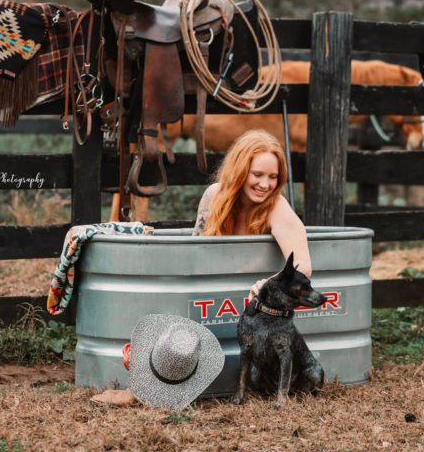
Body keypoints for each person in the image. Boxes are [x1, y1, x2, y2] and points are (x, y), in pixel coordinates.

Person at [90, 129, 312, 406]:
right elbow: (197, 254)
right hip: (212, 296)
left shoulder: (275, 207)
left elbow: (302, 263)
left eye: (273, 177)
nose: (265, 184)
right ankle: (143, 388)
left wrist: (269, 284)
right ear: (240, 170)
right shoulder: (214, 197)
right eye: (257, 175)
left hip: (251, 314)